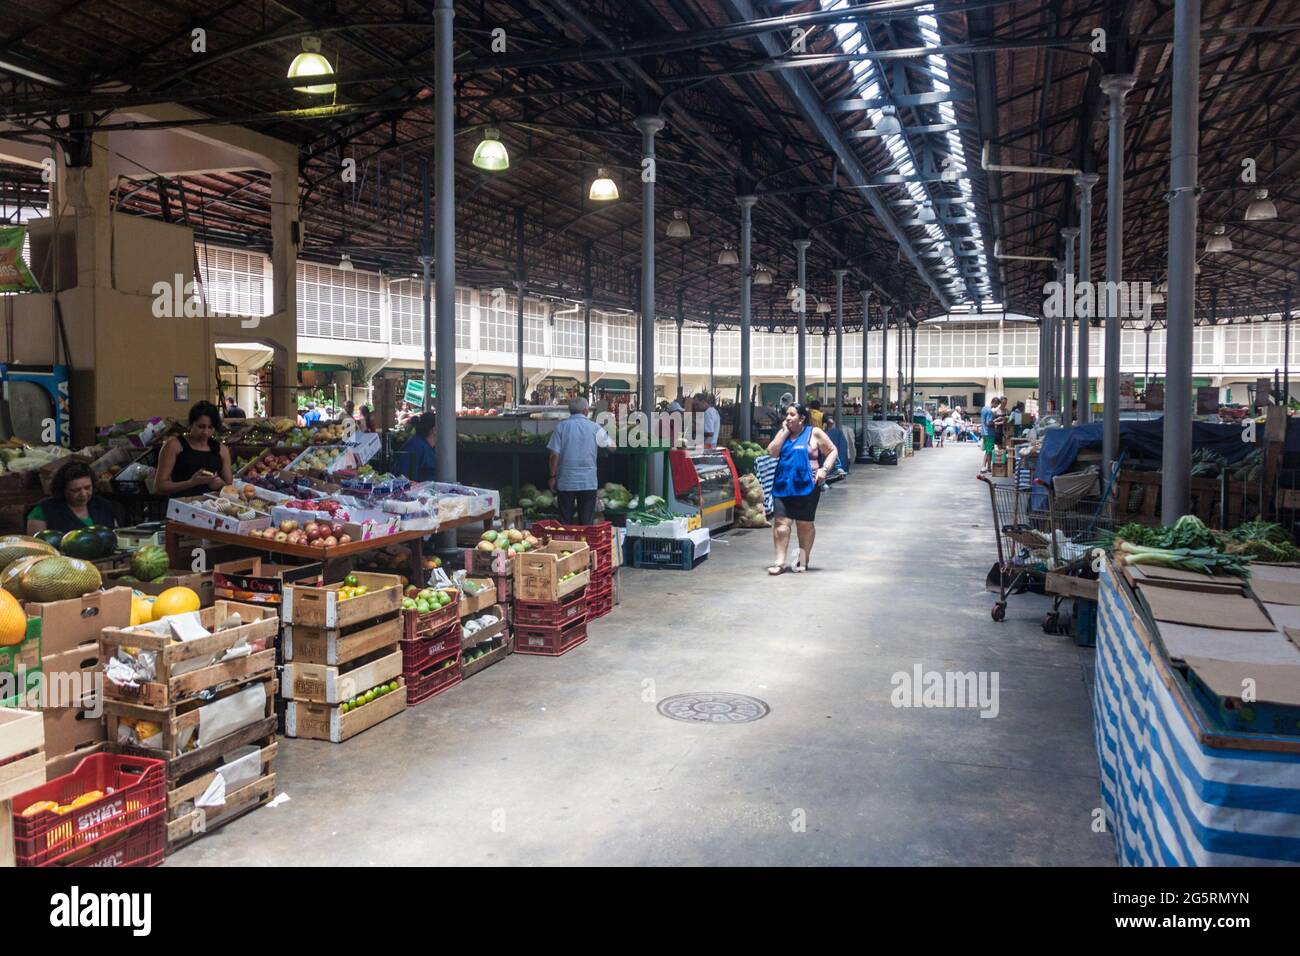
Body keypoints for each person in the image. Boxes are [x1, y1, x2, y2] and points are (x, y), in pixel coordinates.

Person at [765, 403, 837, 575]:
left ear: (802, 418)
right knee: (781, 523)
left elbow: (833, 450)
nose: (787, 418)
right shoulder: (783, 434)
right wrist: (783, 433)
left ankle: (803, 559)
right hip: (783, 484)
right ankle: (780, 562)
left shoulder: (814, 433)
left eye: (792, 414)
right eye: (786, 415)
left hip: (807, 485)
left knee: (804, 524)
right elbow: (772, 452)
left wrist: (824, 469)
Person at [547, 396, 613, 525]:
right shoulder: (594, 427)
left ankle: (566, 544)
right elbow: (612, 447)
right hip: (588, 482)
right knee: (586, 522)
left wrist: (552, 476)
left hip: (566, 481)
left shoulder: (561, 427)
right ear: (586, 411)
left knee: (565, 522)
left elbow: (554, 455)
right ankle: (584, 544)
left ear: (570, 411)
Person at [154, 400, 233, 496]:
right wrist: (191, 483)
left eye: (210, 427)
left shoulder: (222, 450)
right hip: (181, 505)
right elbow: (159, 486)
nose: (205, 432)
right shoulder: (174, 445)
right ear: (191, 424)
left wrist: (220, 484)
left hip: (212, 506)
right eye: (201, 426)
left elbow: (229, 486)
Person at [27, 460, 116, 535]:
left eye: (87, 488)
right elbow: (38, 547)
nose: (83, 494)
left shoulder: (104, 506)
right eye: (75, 490)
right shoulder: (43, 511)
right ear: (62, 489)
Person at [396, 411, 438, 482]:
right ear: (434, 430)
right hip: (419, 491)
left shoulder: (429, 447)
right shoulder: (416, 446)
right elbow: (403, 477)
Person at [980, 396, 1005, 473]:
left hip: (984, 432)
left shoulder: (984, 408)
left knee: (988, 450)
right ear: (994, 402)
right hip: (989, 433)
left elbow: (986, 421)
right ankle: (986, 467)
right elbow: (988, 423)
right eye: (997, 405)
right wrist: (997, 422)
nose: (996, 407)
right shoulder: (990, 411)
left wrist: (995, 420)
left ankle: (987, 467)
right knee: (989, 451)